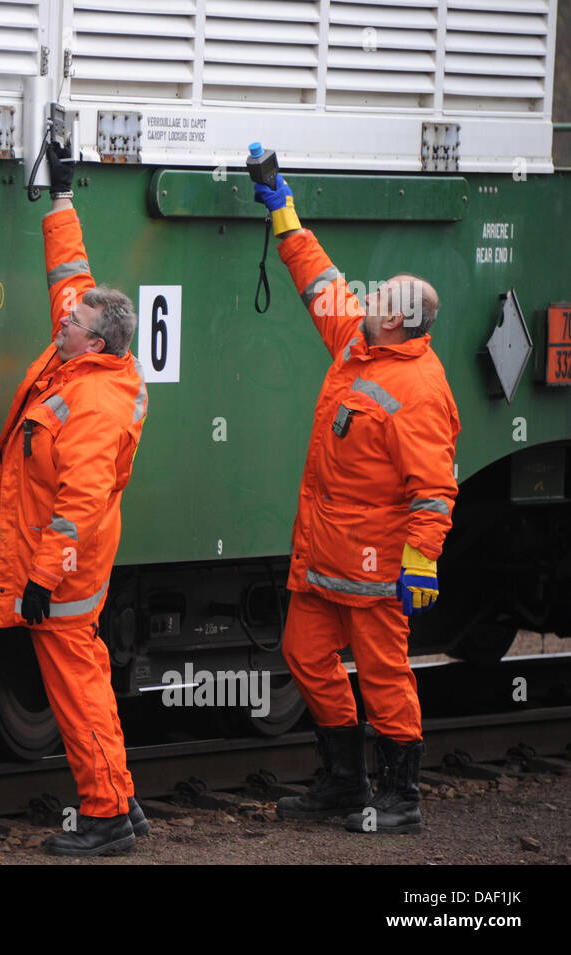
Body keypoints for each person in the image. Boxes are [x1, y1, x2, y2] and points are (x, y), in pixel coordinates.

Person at [254, 175, 460, 834]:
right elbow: (320, 281)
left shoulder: (419, 389)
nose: (366, 297)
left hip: (374, 567)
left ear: (397, 318)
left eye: (380, 296)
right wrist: (284, 210)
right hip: (324, 553)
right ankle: (346, 781)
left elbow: (433, 488)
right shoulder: (358, 340)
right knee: (305, 655)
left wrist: (421, 561)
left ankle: (402, 795)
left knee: (384, 675)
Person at [0, 143, 149, 856]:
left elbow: (78, 504)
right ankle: (121, 797)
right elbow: (71, 274)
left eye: (72, 325)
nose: (60, 323)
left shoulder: (92, 404)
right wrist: (61, 194)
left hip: (65, 568)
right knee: (86, 676)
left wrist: (42, 577)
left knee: (76, 687)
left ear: (97, 343)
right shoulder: (87, 355)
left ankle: (106, 814)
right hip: (69, 563)